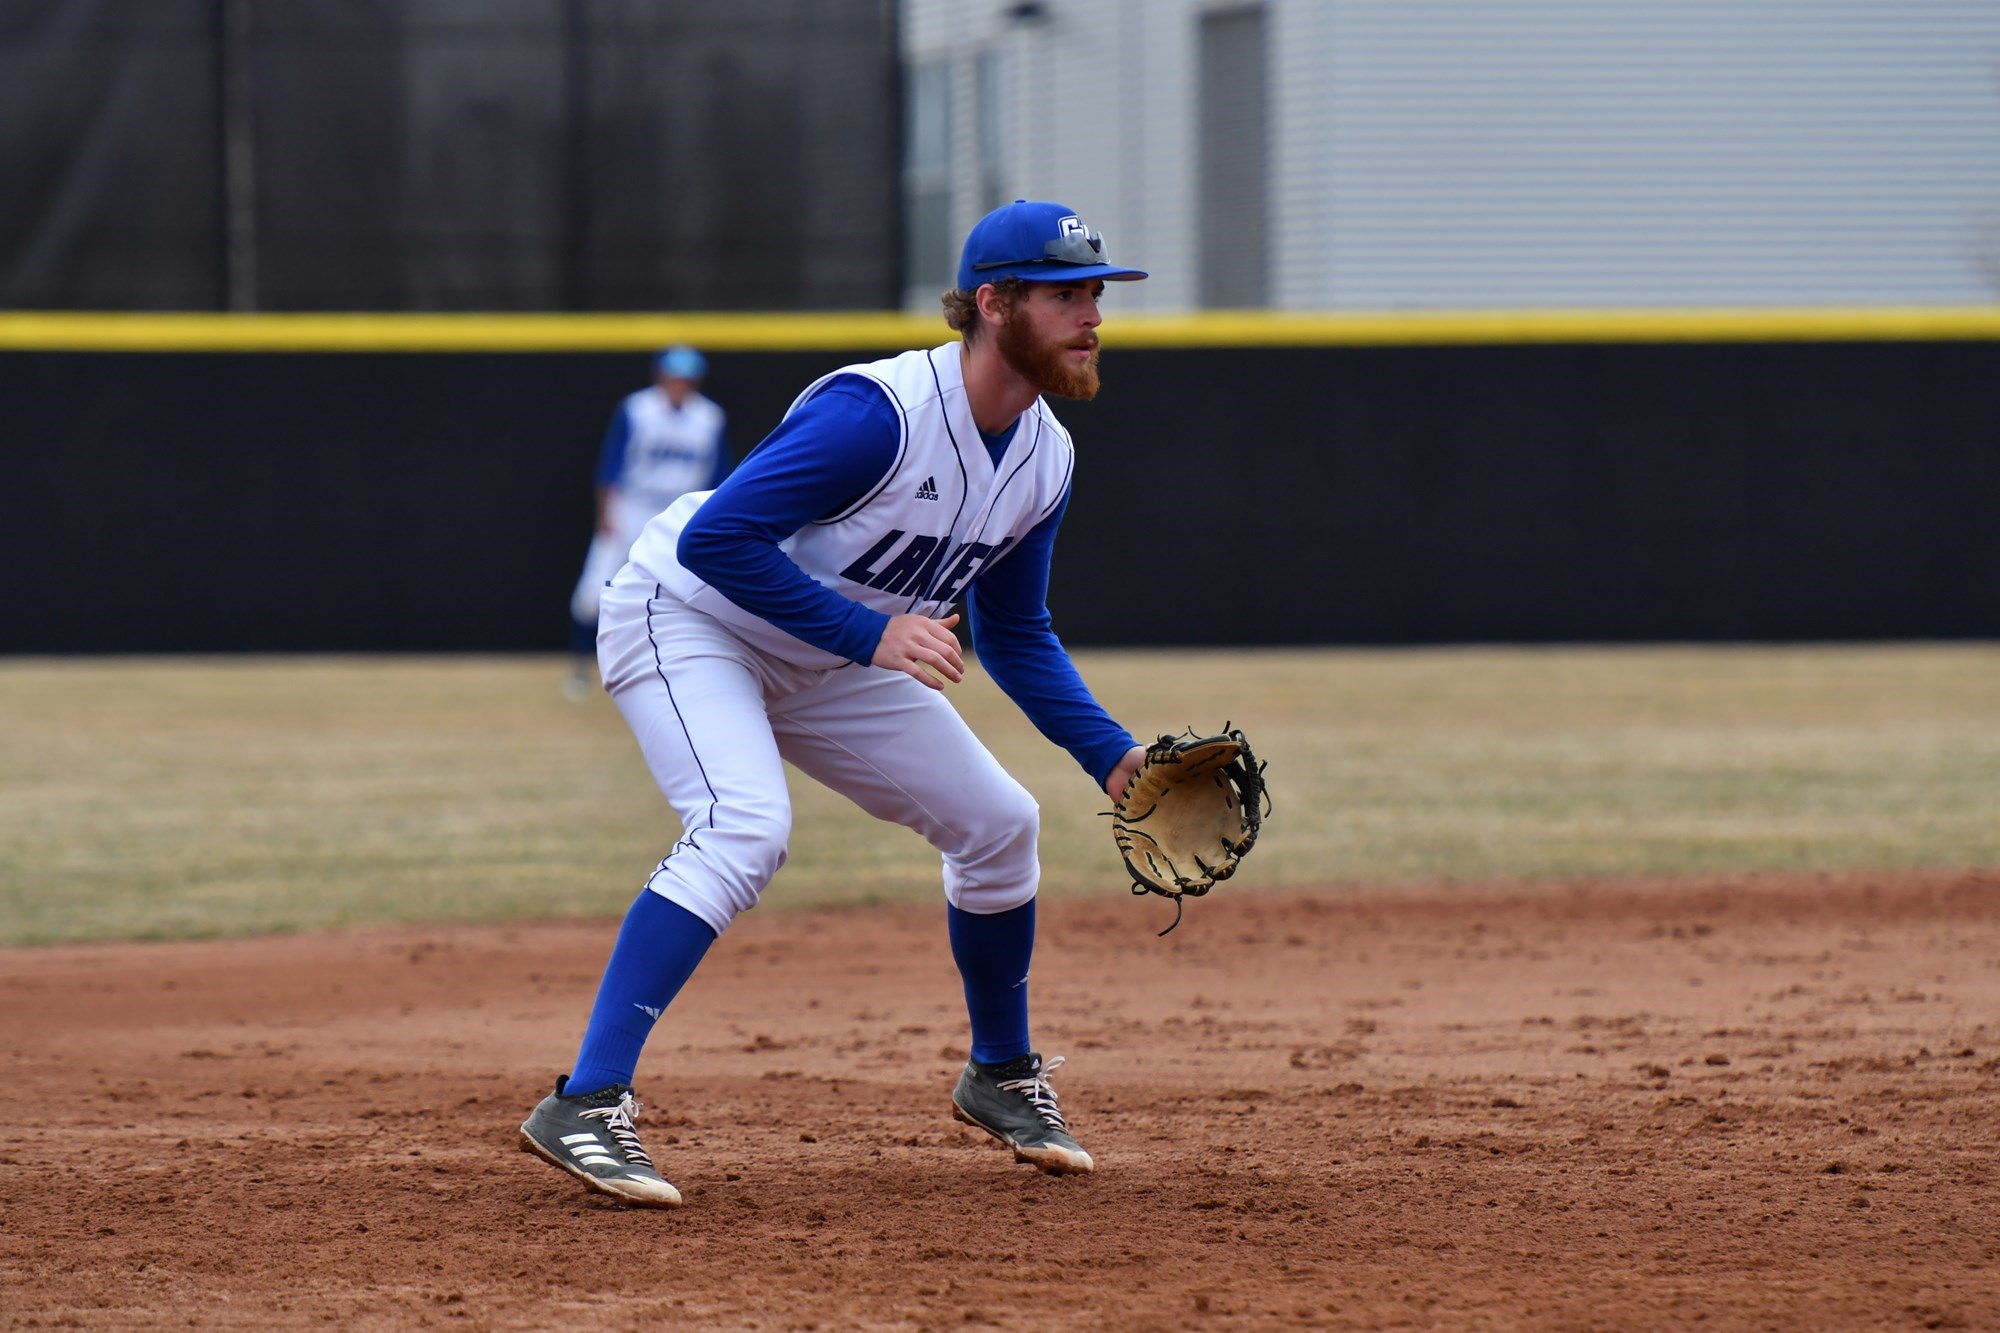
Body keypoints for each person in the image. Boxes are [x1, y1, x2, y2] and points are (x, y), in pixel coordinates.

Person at [519, 200, 1151, 1207]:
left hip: (829, 649)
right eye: (1065, 294)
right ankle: (584, 1101)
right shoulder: (879, 417)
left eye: (1095, 296)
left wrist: (1111, 755)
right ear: (992, 304)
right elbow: (714, 542)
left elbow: (1016, 630)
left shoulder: (1044, 458)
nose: (1091, 315)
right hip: (690, 618)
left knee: (999, 826)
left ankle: (998, 1074)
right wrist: (870, 635)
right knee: (744, 824)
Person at [563, 344, 730, 699]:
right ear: (660, 376)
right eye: (673, 377)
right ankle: (579, 668)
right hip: (632, 506)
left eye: (685, 379)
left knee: (691, 592)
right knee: (595, 590)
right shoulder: (638, 409)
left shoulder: (709, 417)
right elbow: (610, 465)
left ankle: (685, 666)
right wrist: (606, 513)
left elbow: (719, 476)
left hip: (678, 512)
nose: (678, 385)